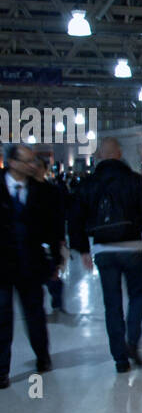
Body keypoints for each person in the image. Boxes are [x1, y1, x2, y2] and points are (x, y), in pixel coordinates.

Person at [69, 137, 142, 373]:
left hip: (103, 249)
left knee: (112, 303)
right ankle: (132, 339)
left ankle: (120, 358)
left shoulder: (88, 184)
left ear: (99, 155)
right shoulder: (135, 181)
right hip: (132, 247)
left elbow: (75, 219)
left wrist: (82, 249)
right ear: (119, 154)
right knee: (138, 294)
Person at [0, 144, 55, 388]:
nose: (32, 165)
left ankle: (42, 357)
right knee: (2, 318)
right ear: (12, 163)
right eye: (27, 161)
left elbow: (51, 227)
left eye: (34, 161)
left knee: (35, 314)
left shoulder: (41, 192)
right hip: (1, 267)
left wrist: (55, 258)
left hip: (31, 264)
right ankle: (2, 370)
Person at [28, 155, 69, 317]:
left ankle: (57, 303)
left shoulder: (52, 190)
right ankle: (37, 308)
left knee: (53, 272)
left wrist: (60, 236)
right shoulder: (25, 189)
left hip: (49, 237)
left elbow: (58, 215)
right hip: (31, 239)